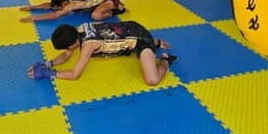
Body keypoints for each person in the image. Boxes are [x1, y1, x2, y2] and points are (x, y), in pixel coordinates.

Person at [27, 21, 176, 86]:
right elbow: (66, 55)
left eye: (67, 47)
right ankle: (157, 42)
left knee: (152, 80)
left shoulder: (88, 45)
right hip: (130, 28)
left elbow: (74, 75)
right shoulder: (77, 30)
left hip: (140, 41)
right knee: (127, 39)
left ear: (72, 44)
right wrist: (48, 64)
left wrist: (49, 73)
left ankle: (166, 60)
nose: (67, 51)